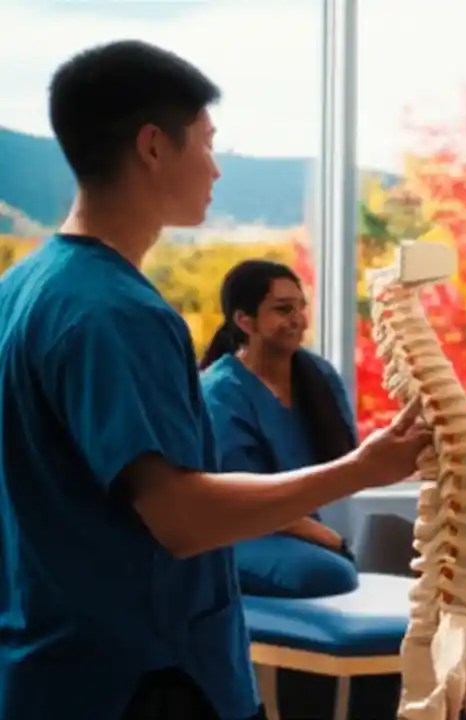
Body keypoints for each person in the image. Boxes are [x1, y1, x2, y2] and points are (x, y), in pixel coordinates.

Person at [0, 40, 429, 720]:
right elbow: (183, 517)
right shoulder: (117, 313)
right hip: (146, 679)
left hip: (48, 669)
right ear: (153, 146)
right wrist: (361, 470)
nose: (217, 168)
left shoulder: (22, 289)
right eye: (206, 141)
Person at [199, 259, 360, 598]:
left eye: (301, 307)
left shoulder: (319, 377)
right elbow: (243, 501)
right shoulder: (221, 393)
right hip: (239, 530)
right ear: (245, 321)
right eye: (283, 309)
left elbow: (344, 465)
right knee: (326, 572)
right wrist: (327, 538)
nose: (298, 319)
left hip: (298, 530)